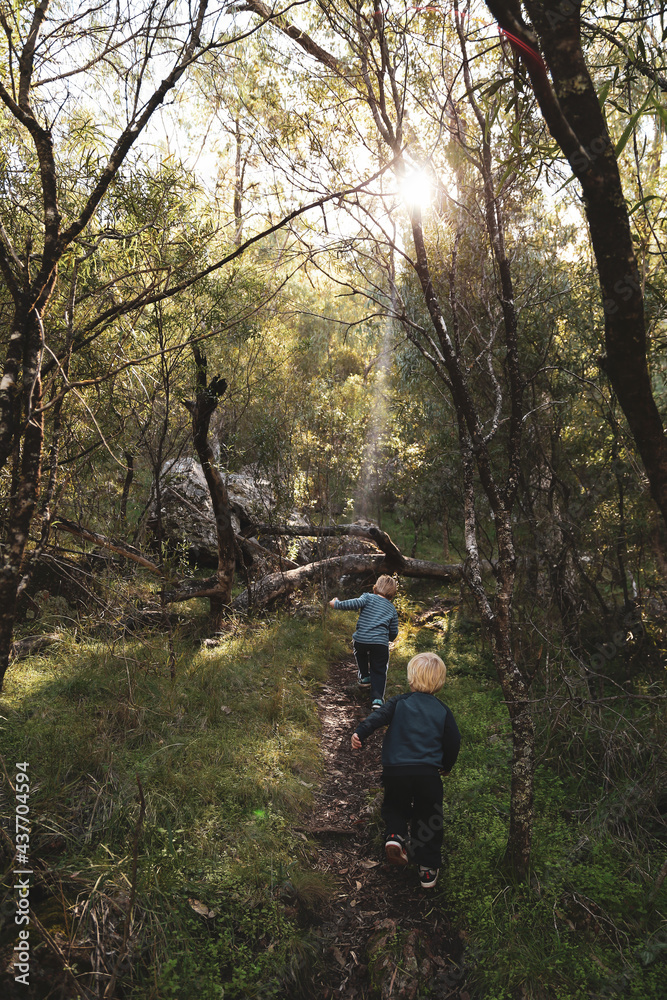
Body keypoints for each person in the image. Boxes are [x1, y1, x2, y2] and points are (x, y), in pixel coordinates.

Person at [350, 652, 460, 889]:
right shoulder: (443, 710)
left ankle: (395, 837)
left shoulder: (399, 702)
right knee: (428, 816)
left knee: (395, 805)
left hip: (395, 770)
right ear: (439, 682)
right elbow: (453, 741)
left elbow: (378, 717)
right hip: (427, 774)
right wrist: (446, 765)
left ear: (411, 679)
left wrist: (360, 732)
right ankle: (427, 869)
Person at [329, 574, 399, 708]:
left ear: (375, 588)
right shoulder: (392, 609)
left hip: (362, 639)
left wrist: (336, 604)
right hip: (380, 644)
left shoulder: (367, 597)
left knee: (359, 652)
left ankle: (365, 676)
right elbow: (393, 631)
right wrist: (387, 638)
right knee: (379, 669)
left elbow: (353, 603)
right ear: (392, 594)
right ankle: (377, 700)